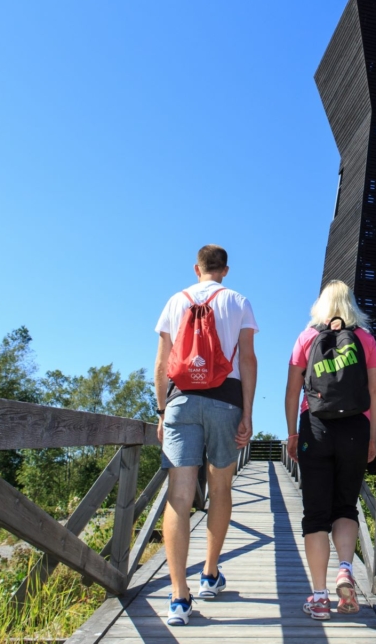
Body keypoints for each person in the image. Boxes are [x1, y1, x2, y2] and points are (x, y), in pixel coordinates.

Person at [154, 244, 258, 626]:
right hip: (225, 403)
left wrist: (163, 411)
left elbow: (163, 362)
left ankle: (178, 596)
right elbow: (247, 358)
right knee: (221, 490)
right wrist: (247, 413)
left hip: (181, 401)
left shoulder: (175, 301)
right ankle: (210, 575)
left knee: (179, 497)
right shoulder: (238, 301)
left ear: (196, 268)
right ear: (225, 270)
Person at [284, 280, 376, 620]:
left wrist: (292, 434)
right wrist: (371, 437)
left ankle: (319, 596)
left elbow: (292, 391)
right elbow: (375, 393)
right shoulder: (366, 339)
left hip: (315, 427)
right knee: (345, 506)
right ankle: (345, 568)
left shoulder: (306, 338)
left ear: (320, 306)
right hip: (355, 429)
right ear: (351, 304)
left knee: (315, 514)